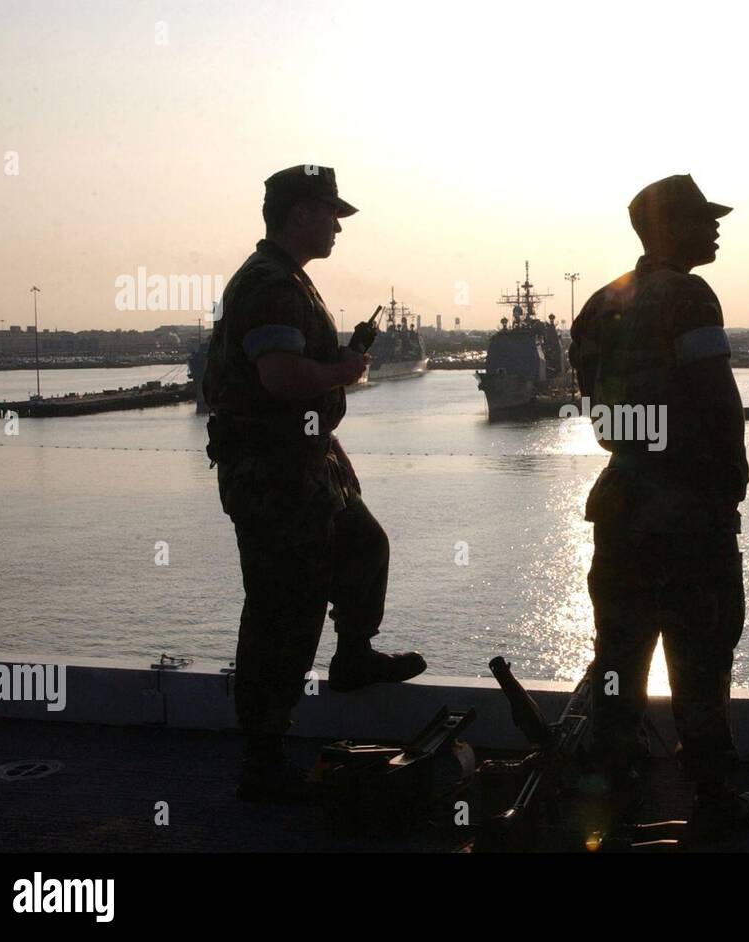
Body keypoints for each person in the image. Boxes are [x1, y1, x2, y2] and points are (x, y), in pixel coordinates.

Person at [203, 165, 426, 802]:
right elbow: (278, 378)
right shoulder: (271, 285)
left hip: (304, 465)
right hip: (273, 478)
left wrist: (330, 425)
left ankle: (354, 654)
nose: (337, 226)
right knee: (282, 612)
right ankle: (263, 761)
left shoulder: (289, 281)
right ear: (300, 213)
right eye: (331, 213)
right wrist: (344, 369)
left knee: (364, 544)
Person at [568, 174, 749, 837]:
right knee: (700, 657)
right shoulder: (689, 297)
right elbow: (714, 395)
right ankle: (713, 800)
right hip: (688, 510)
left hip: (621, 505)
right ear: (669, 229)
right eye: (703, 219)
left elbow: (597, 407)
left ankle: (612, 795)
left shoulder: (597, 304)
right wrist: (729, 477)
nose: (716, 228)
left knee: (619, 655)